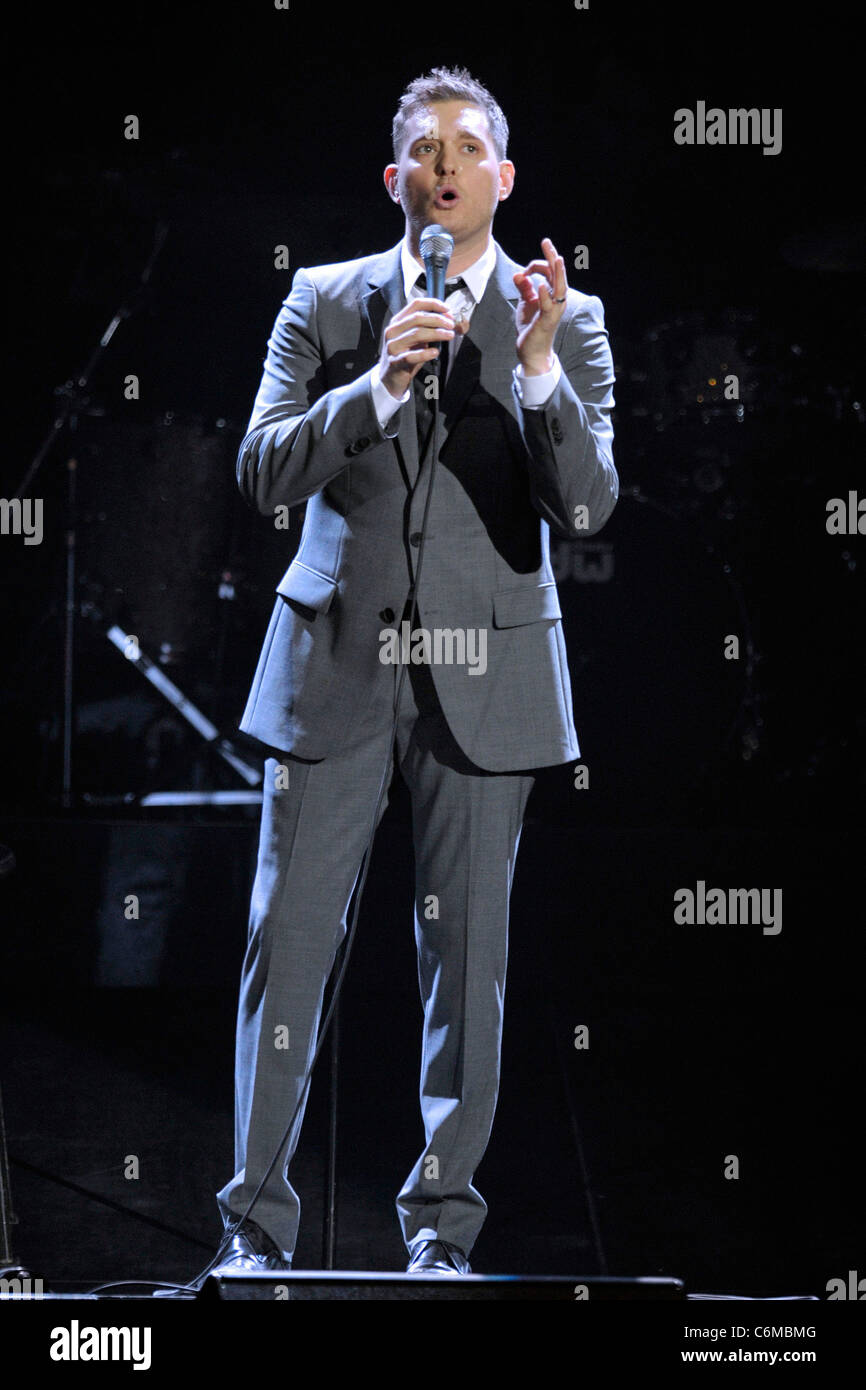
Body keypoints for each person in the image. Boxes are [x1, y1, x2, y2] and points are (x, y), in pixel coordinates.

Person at [215, 65, 618, 1277]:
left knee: (466, 962)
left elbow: (588, 508)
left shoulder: (569, 320)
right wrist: (377, 382)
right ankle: (251, 1232)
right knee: (286, 946)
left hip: (482, 679)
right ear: (395, 180)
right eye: (422, 149)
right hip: (335, 662)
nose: (444, 165)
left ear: (501, 177)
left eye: (468, 146)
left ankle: (441, 1232)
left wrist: (538, 370)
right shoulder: (325, 301)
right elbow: (260, 473)